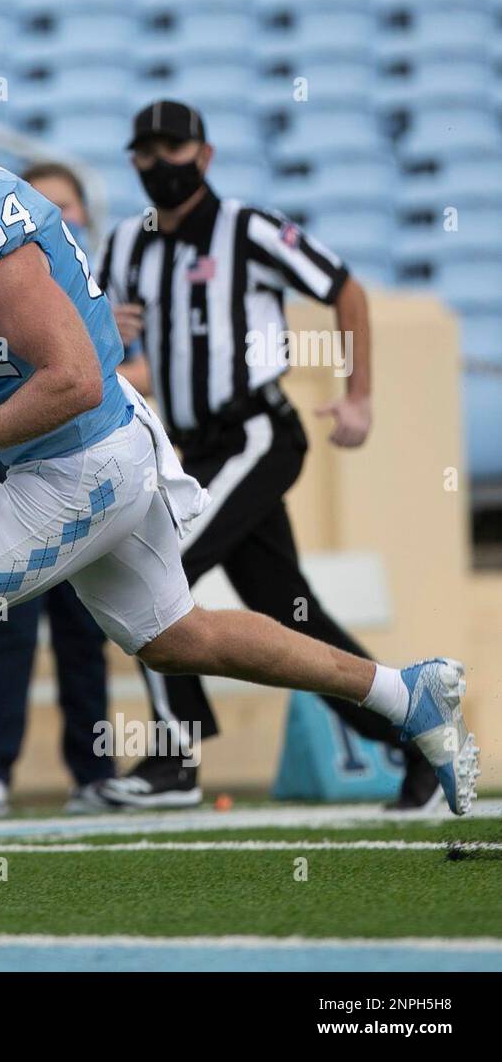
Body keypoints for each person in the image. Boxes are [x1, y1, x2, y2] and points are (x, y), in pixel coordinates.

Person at [0, 55, 476, 871]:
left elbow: (72, 378)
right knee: (178, 636)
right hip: (77, 451)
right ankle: (402, 691)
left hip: (82, 459)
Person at [90, 99, 442, 811]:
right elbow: (109, 355)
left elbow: (344, 288)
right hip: (194, 451)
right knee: (292, 613)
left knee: (152, 567)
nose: (161, 165)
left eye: (174, 150)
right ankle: (419, 738)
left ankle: (173, 757)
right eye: (146, 153)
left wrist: (359, 396)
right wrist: (104, 326)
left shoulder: (247, 229)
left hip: (256, 433)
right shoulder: (128, 243)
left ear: (207, 156)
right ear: (132, 160)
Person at [0, 161, 113, 818]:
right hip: (11, 458)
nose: (61, 213)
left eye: (69, 202)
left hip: (88, 460)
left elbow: (117, 373)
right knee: (8, 616)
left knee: (83, 622)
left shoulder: (88, 276)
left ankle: (94, 768)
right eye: (48, 202)